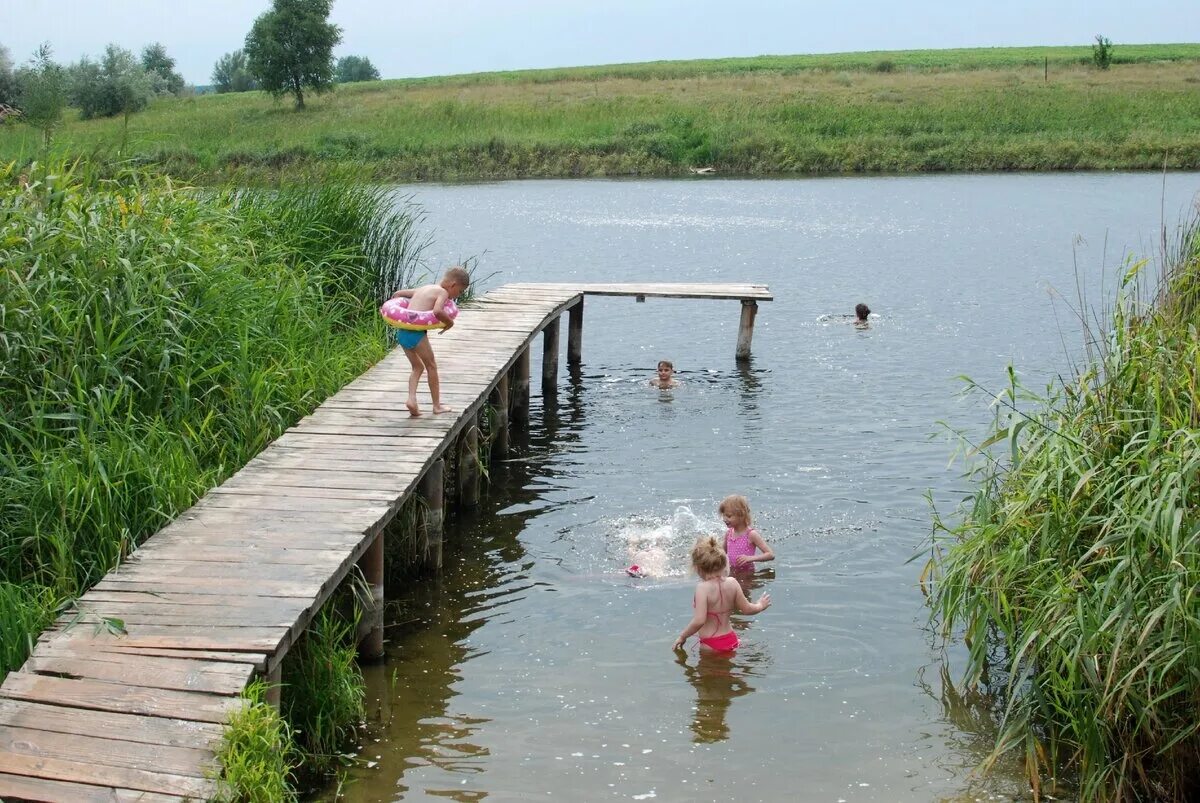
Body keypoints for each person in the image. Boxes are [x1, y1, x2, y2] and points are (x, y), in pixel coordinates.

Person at [390, 265, 470, 417]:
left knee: (417, 367)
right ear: (453, 285)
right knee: (431, 366)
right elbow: (437, 311)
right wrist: (449, 323)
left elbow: (398, 294)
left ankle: (411, 399)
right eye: (459, 291)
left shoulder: (425, 288)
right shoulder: (443, 293)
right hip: (416, 334)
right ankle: (436, 406)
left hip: (402, 332)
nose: (456, 295)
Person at [673, 536, 770, 652]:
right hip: (732, 639)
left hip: (711, 644)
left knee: (706, 670)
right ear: (723, 563)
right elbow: (747, 609)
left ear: (697, 567)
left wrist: (683, 636)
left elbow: (699, 620)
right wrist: (760, 605)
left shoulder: (702, 588)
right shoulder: (733, 582)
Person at [719, 494, 774, 571]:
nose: (724, 519)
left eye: (729, 516)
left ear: (741, 515)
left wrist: (750, 558)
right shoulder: (729, 533)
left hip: (747, 574)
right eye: (723, 516)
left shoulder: (751, 534)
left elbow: (770, 555)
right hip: (731, 571)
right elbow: (721, 553)